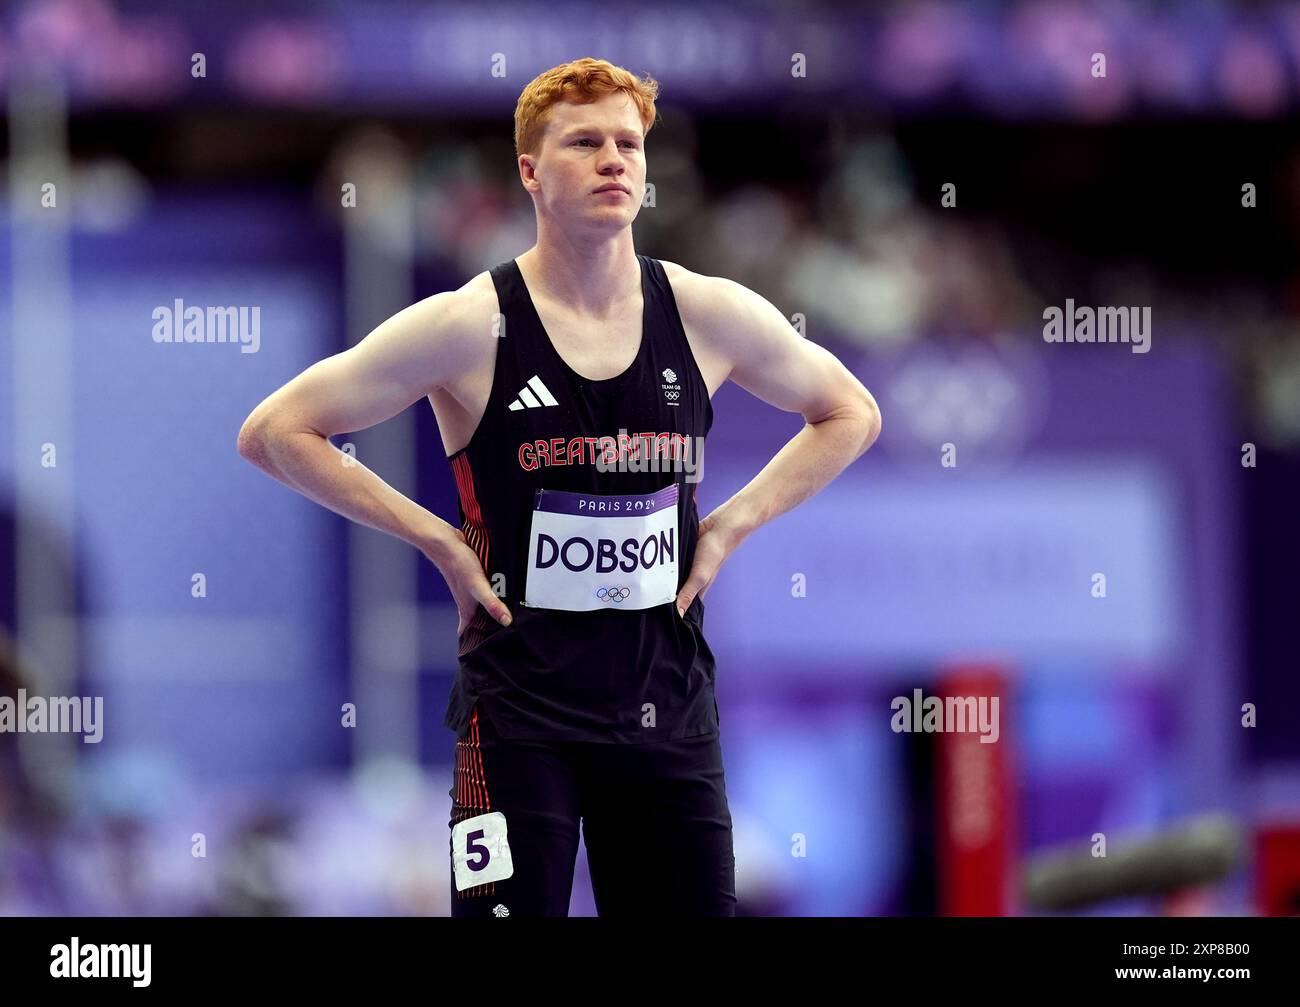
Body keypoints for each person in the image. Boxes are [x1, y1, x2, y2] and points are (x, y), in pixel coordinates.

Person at [237, 57, 881, 917]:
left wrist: (731, 524)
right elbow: (275, 431)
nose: (615, 160)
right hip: (517, 720)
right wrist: (435, 537)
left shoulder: (703, 312)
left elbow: (850, 411)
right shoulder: (470, 323)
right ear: (531, 172)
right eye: (585, 142)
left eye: (629, 143)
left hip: (667, 712)